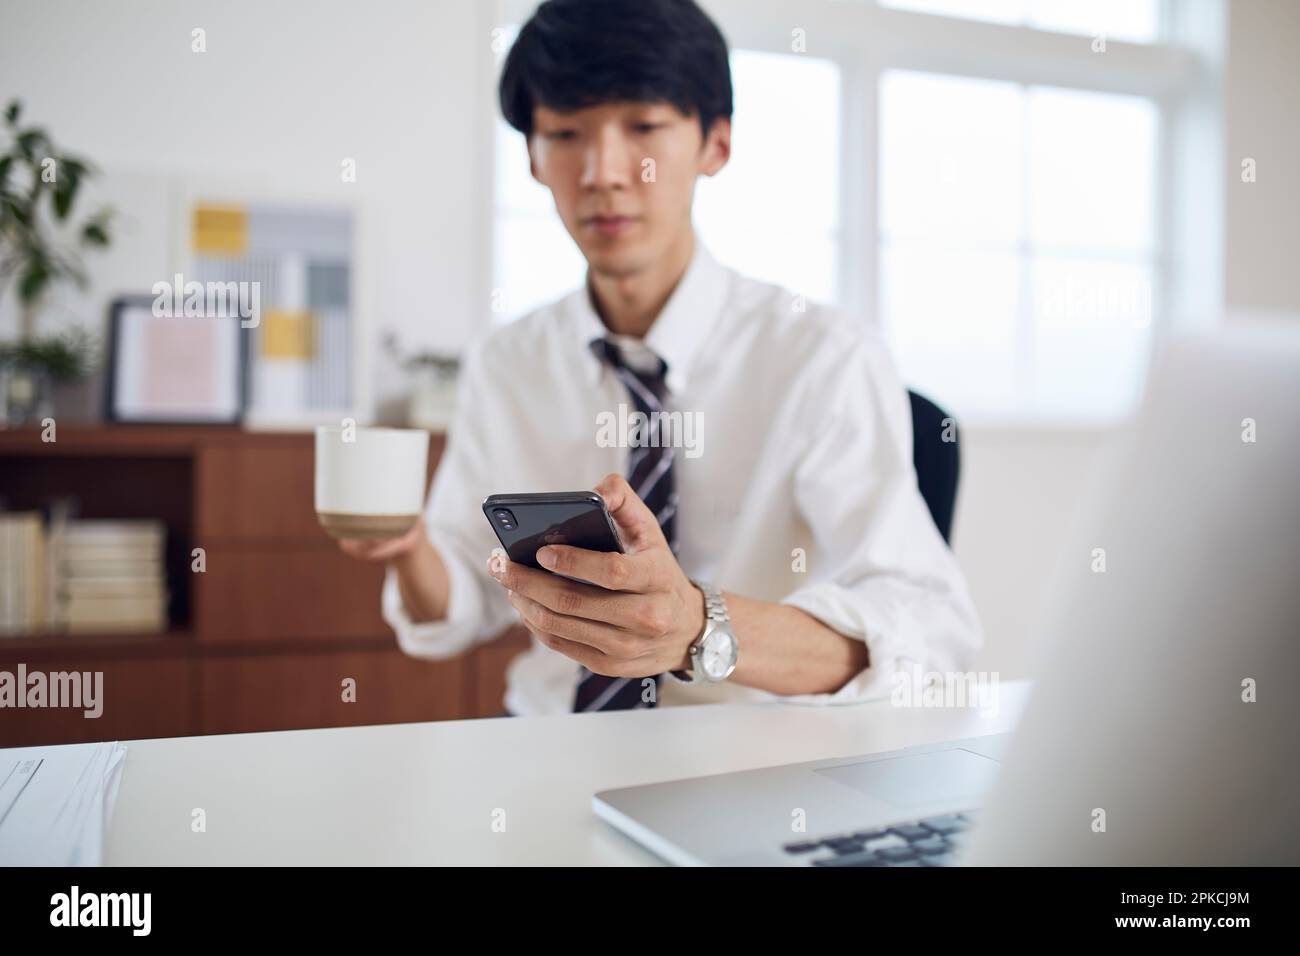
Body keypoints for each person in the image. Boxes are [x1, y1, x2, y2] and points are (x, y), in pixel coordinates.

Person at [339, 0, 982, 717]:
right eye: (564, 133)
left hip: (749, 763)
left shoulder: (822, 356)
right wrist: (404, 547)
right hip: (552, 746)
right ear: (531, 157)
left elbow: (931, 632)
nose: (604, 171)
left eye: (643, 127)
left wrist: (698, 626)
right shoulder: (507, 362)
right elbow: (459, 601)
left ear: (716, 144)